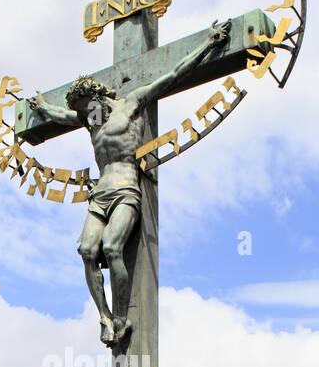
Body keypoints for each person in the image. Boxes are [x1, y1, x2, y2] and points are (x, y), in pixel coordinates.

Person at [29, 19, 231, 347]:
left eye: (87, 107)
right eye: (82, 111)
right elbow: (58, 116)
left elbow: (173, 75)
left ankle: (122, 317)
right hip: (100, 195)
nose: (86, 115)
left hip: (126, 189)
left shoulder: (131, 105)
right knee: (85, 249)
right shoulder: (90, 120)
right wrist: (41, 107)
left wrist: (208, 45)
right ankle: (105, 316)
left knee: (110, 247)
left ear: (97, 96)